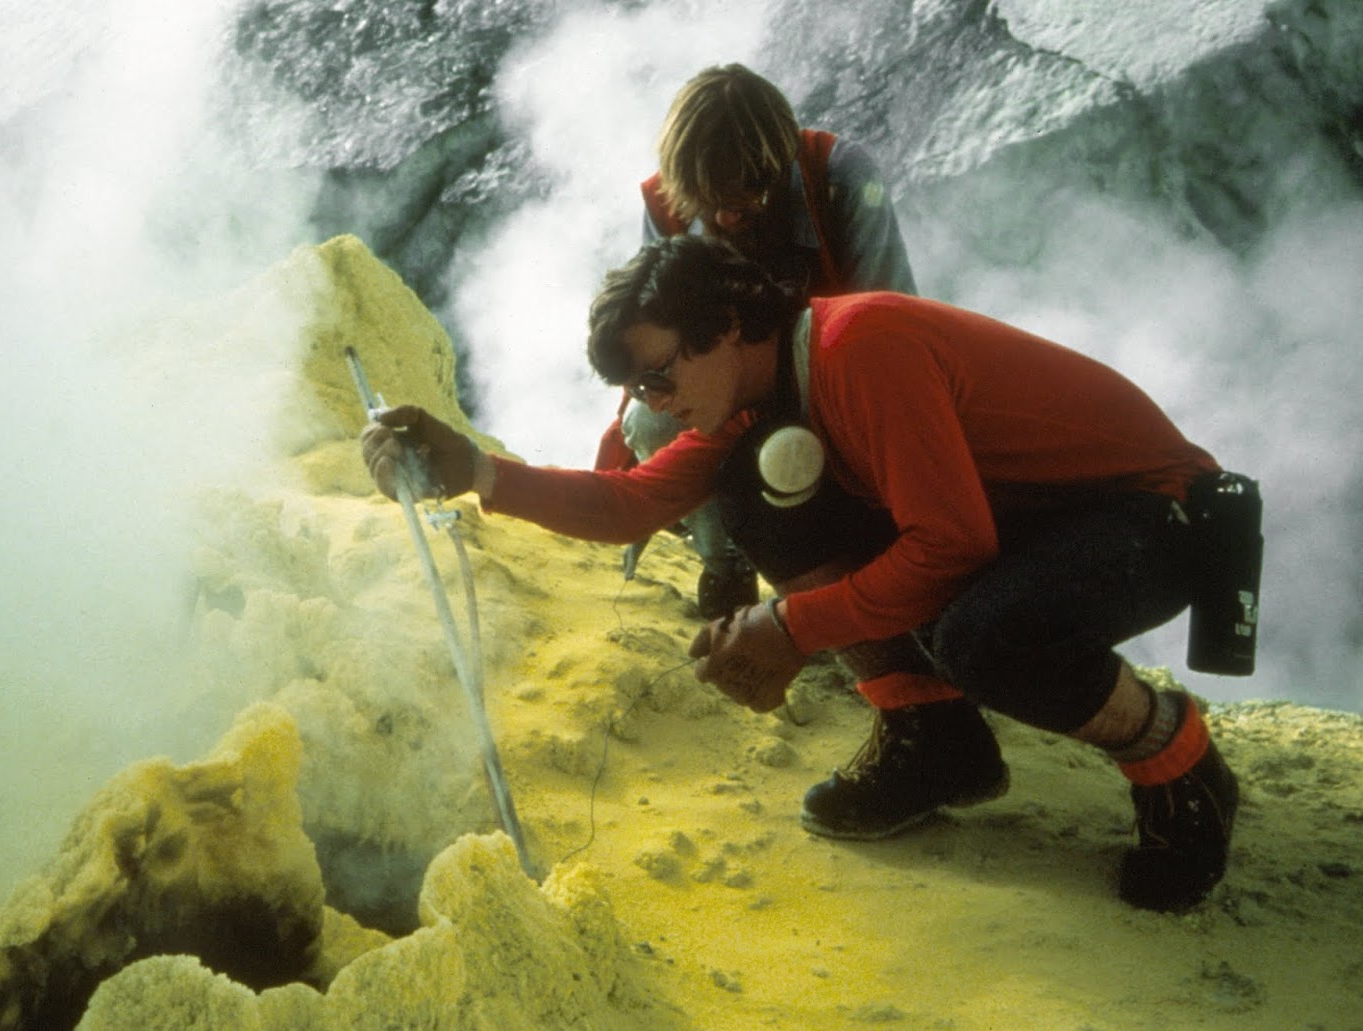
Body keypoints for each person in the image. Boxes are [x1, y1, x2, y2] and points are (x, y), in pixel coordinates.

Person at [362, 235, 1245, 913]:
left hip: (1156, 514)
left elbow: (954, 547)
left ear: (731, 324)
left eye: (661, 375)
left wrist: (788, 628)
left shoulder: (862, 350)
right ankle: (934, 739)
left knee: (985, 631)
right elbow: (629, 503)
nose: (655, 404)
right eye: (639, 390)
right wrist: (473, 471)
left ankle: (1178, 761)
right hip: (1045, 521)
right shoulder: (761, 391)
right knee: (756, 492)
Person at [599, 63, 916, 621]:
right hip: (731, 391)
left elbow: (894, 321)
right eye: (706, 203)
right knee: (651, 421)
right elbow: (650, 338)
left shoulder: (838, 178)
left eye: (744, 202)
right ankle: (727, 563)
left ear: (779, 166)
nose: (722, 217)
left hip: (837, 382)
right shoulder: (665, 203)